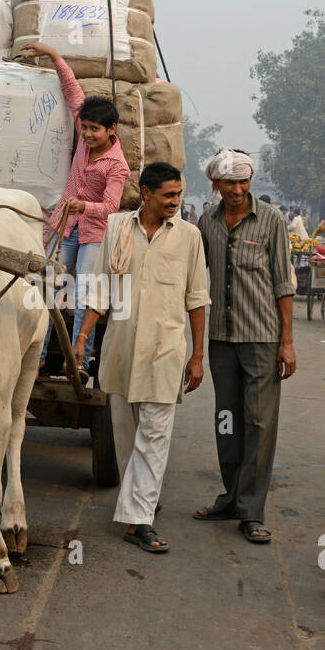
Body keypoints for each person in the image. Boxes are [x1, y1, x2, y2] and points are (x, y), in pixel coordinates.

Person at [73, 162, 209, 554]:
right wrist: (83, 337)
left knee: (154, 435)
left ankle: (139, 521)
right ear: (146, 193)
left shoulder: (189, 237)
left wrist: (197, 355)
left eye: (179, 195)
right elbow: (100, 290)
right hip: (119, 349)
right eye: (168, 195)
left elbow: (197, 299)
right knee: (126, 436)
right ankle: (143, 497)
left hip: (165, 352)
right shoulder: (116, 229)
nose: (175, 202)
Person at [194, 147, 296, 544]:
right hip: (222, 337)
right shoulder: (207, 221)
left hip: (262, 337)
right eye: (229, 183)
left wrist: (287, 341)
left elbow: (284, 283)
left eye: (243, 181)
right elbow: (193, 270)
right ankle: (231, 497)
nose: (236, 190)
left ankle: (252, 510)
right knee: (227, 420)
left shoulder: (271, 220)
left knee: (259, 422)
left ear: (250, 182)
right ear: (216, 185)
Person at [21, 41, 130, 381]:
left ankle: (79, 361)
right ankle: (36, 356)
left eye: (94, 130)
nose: (87, 134)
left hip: (94, 235)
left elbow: (111, 207)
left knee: (85, 292)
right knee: (47, 285)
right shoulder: (83, 137)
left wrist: (85, 205)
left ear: (111, 130)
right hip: (65, 227)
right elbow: (71, 90)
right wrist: (53, 55)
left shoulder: (118, 165)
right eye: (84, 128)